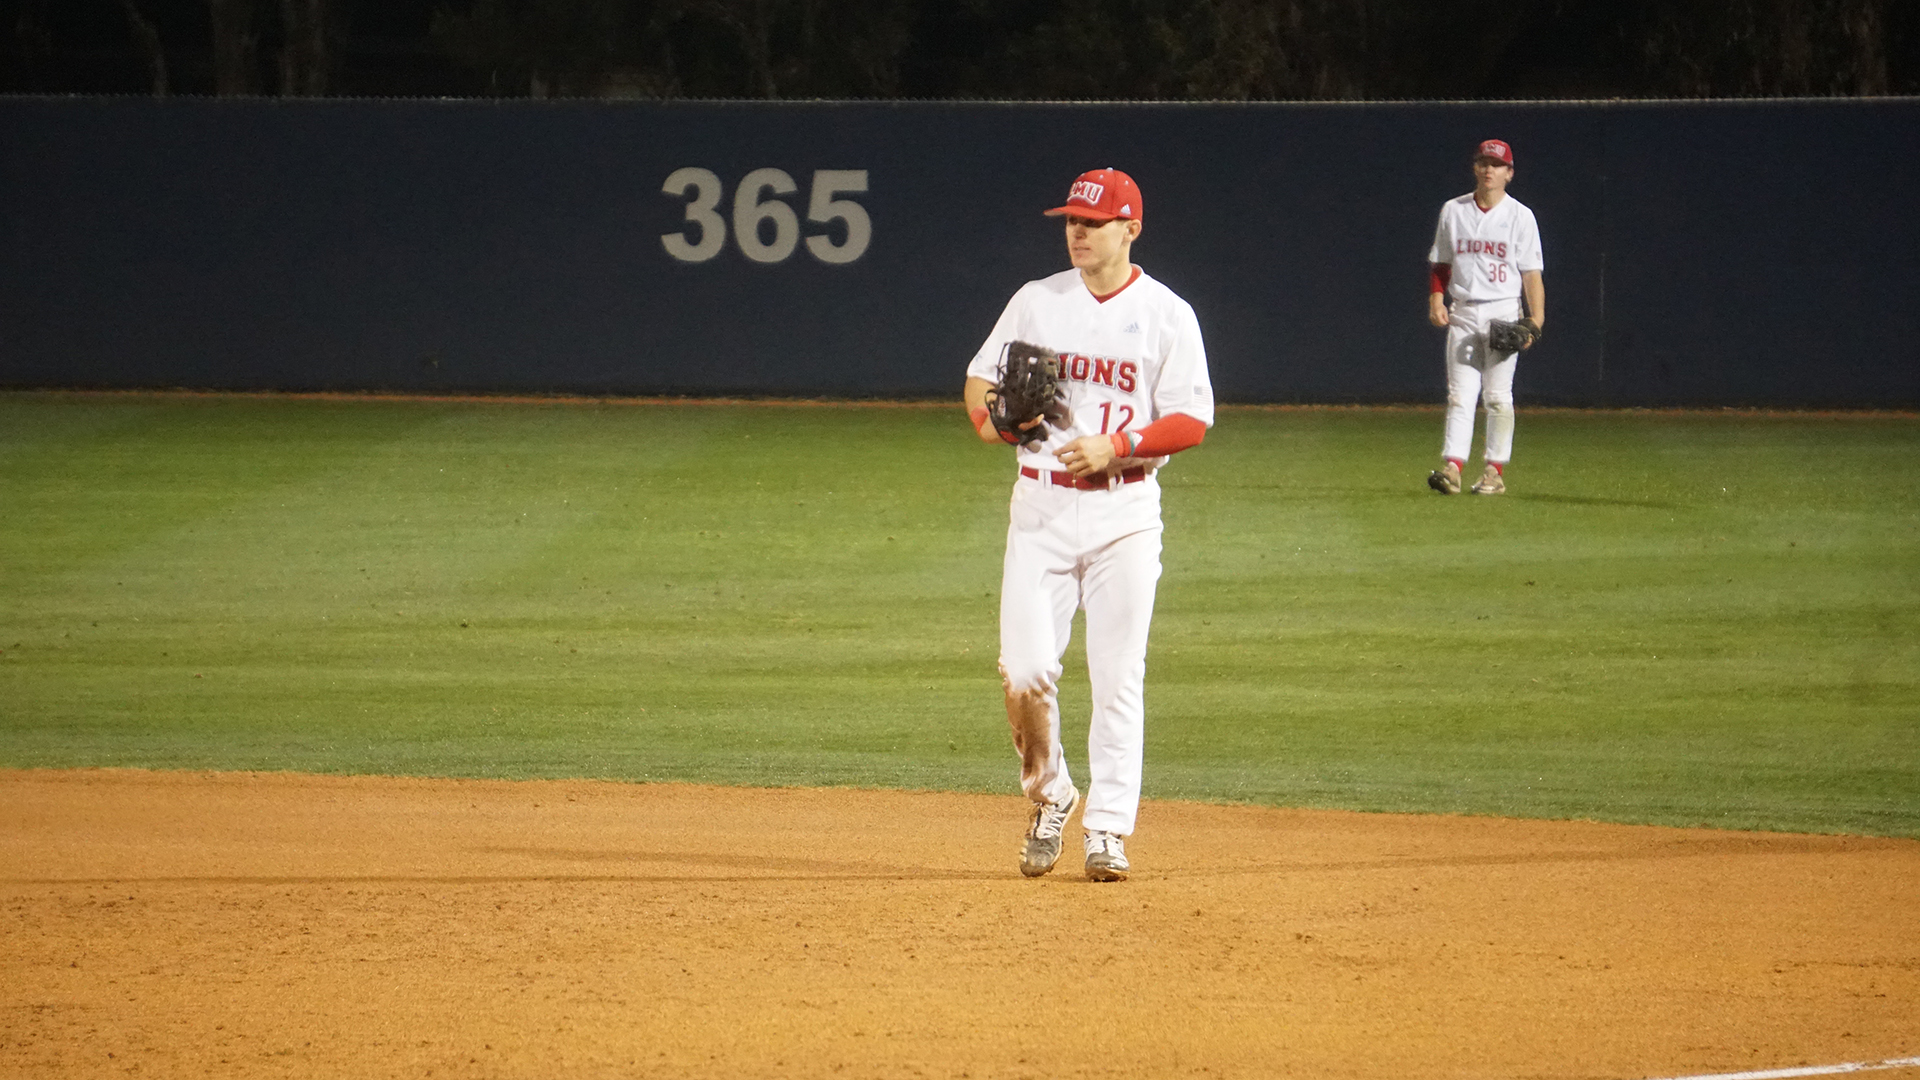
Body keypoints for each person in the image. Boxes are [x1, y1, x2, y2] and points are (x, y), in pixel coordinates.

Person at [962, 168, 1215, 882]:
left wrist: (1124, 444)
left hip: (1124, 513)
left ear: (1130, 228)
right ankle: (1052, 792)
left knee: (1118, 676)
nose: (1077, 231)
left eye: (1092, 221)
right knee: (1025, 672)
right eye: (1071, 219)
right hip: (1040, 508)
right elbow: (981, 380)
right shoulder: (1037, 300)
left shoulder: (1168, 314)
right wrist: (994, 424)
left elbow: (1193, 419)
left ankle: (1108, 830)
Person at [1426, 138, 1546, 496]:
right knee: (1460, 395)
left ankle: (1494, 472)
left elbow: (1531, 275)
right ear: (1475, 168)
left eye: (1496, 165)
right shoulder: (1453, 210)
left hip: (1503, 311)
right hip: (1462, 312)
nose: (1488, 170)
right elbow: (1441, 263)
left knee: (1497, 396)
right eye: (1483, 163)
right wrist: (1436, 299)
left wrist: (1536, 320)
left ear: (1509, 173)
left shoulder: (1521, 217)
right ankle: (1453, 468)